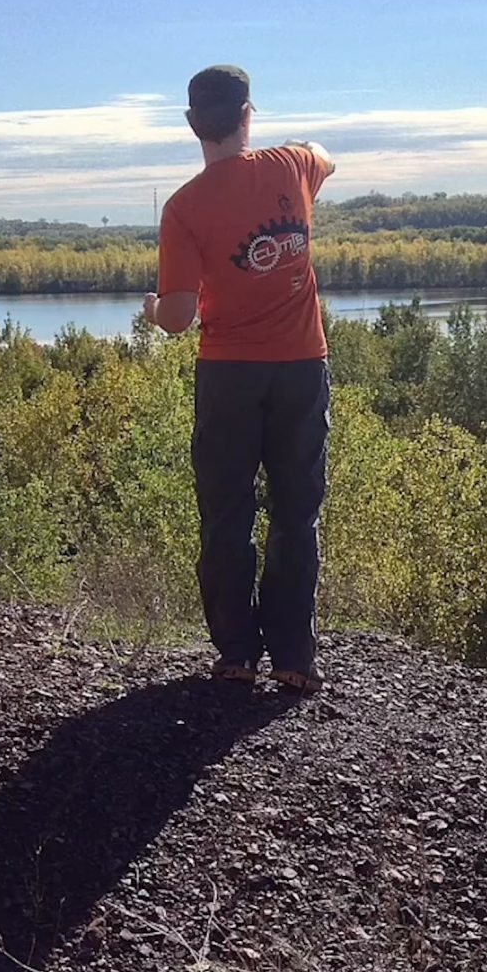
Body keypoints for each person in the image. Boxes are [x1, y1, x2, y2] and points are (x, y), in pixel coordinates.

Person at [143, 65, 336, 695]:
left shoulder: (183, 208)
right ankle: (294, 657)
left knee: (227, 513)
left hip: (227, 375)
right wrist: (302, 163)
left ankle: (235, 654)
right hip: (302, 367)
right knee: (297, 511)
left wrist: (151, 308)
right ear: (248, 115)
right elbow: (325, 156)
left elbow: (176, 319)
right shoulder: (294, 166)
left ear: (192, 125)